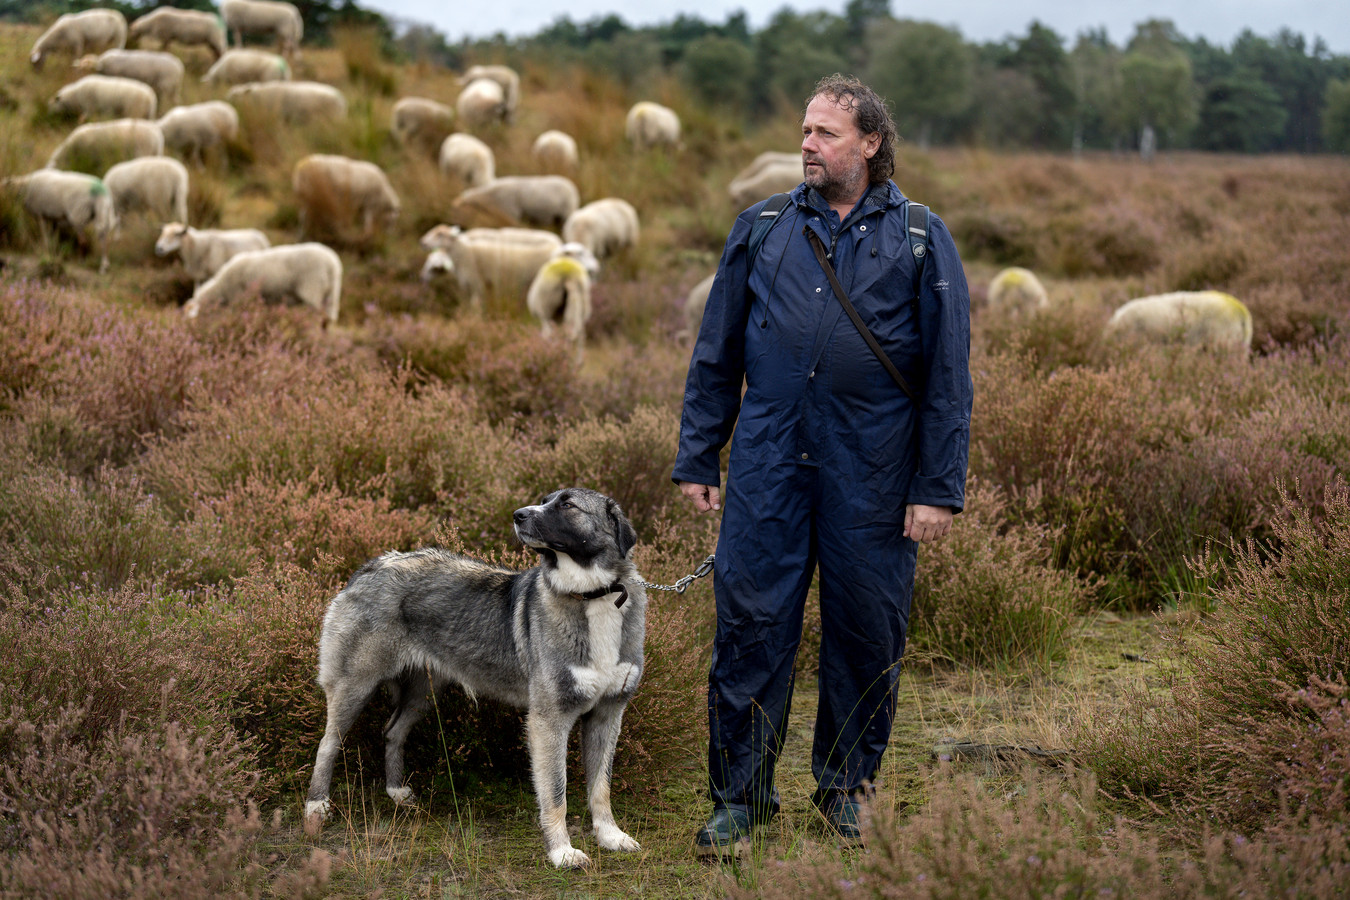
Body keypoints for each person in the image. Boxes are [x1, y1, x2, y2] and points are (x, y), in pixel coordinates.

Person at [673, 73, 973, 856]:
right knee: (749, 627)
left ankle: (847, 791)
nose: (807, 145)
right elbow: (717, 354)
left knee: (865, 634)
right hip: (769, 463)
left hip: (873, 473)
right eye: (804, 131)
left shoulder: (918, 235)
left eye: (826, 134)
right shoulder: (762, 225)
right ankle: (740, 799)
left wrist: (937, 488)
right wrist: (699, 453)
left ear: (869, 144)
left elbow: (947, 378)